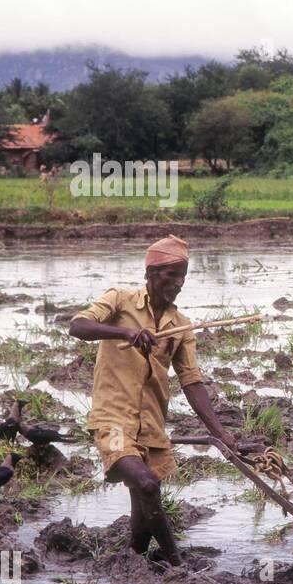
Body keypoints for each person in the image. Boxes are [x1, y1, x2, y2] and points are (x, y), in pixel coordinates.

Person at [69, 235, 239, 564]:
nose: (177, 284)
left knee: (142, 505)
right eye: (170, 275)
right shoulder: (119, 301)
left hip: (151, 426)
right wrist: (126, 333)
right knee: (147, 484)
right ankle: (176, 564)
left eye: (182, 277)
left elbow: (192, 382)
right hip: (113, 422)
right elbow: (78, 326)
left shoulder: (180, 326)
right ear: (150, 273)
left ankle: (134, 564)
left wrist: (220, 432)